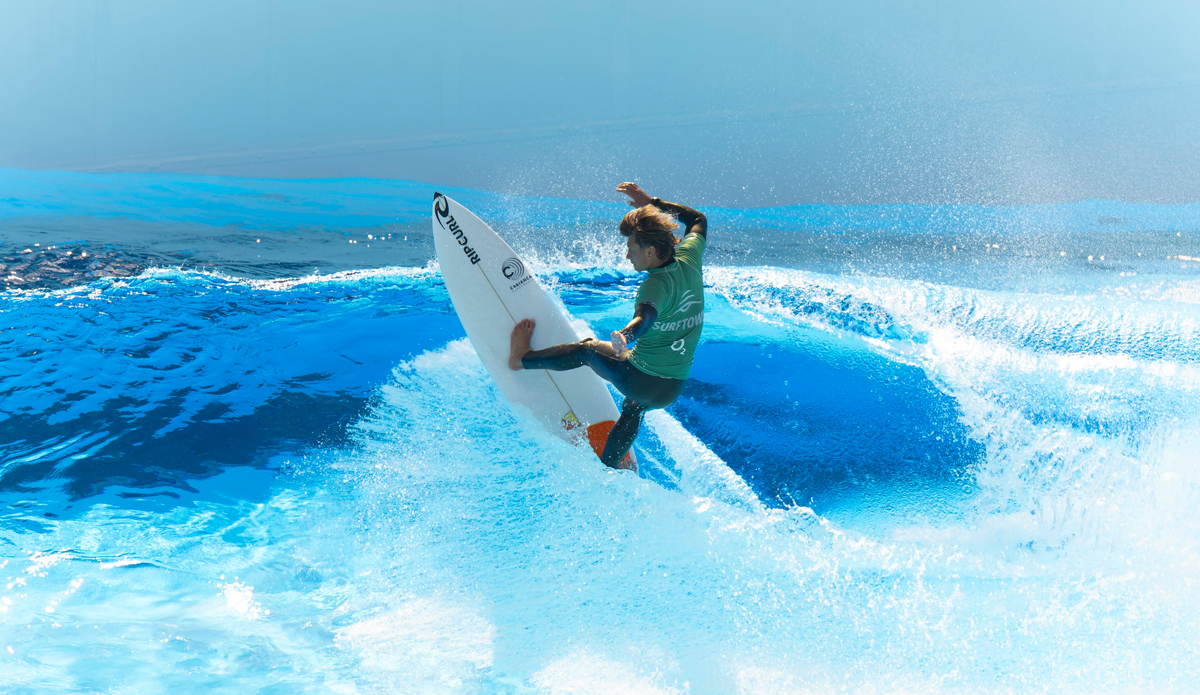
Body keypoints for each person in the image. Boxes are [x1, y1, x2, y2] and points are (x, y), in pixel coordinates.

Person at [508, 182, 708, 469]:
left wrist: (626, 335)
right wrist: (651, 203)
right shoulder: (690, 256)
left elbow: (646, 317)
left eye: (631, 249)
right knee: (633, 408)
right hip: (671, 389)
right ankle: (610, 465)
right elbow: (698, 219)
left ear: (650, 251)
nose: (627, 255)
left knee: (587, 350)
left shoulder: (655, 287)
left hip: (640, 379)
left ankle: (521, 359)